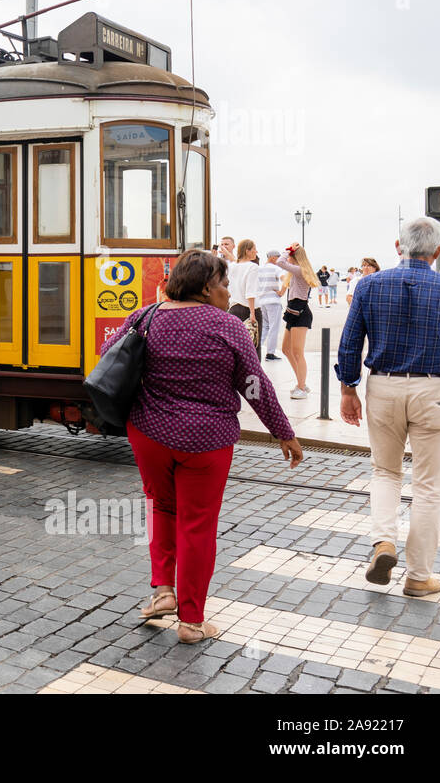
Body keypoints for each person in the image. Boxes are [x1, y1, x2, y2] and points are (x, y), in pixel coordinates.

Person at [103, 249, 302, 644]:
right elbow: (254, 386)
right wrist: (283, 432)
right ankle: (192, 622)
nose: (229, 293)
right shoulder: (227, 327)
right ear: (207, 287)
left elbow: (110, 354)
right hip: (206, 441)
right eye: (225, 284)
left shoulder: (145, 316)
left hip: (149, 434)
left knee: (161, 505)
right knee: (198, 524)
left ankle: (163, 590)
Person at [337, 217, 440, 597]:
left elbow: (351, 341)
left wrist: (347, 389)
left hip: (383, 386)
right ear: (437, 252)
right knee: (428, 487)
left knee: (385, 472)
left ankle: (383, 543)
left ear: (397, 246)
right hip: (432, 388)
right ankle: (419, 577)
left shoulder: (369, 285)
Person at [275, 243, 320, 399]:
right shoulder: (296, 273)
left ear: (294, 257)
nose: (288, 258)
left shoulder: (300, 271)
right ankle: (302, 382)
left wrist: (286, 250)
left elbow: (279, 262)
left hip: (300, 312)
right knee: (286, 349)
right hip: (293, 311)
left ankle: (301, 387)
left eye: (291, 256)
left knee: (297, 352)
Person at [226, 239, 261, 348]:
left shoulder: (232, 266)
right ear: (247, 251)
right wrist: (252, 313)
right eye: (254, 249)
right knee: (253, 346)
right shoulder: (252, 267)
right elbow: (250, 291)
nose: (256, 252)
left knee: (236, 346)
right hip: (248, 309)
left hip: (233, 309)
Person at [254, 249, 286, 360]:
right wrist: (282, 292)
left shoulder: (259, 269)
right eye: (278, 257)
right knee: (274, 328)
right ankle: (270, 353)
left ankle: (255, 350)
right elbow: (286, 279)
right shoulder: (276, 268)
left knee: (264, 327)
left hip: (261, 301)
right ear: (272, 257)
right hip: (273, 301)